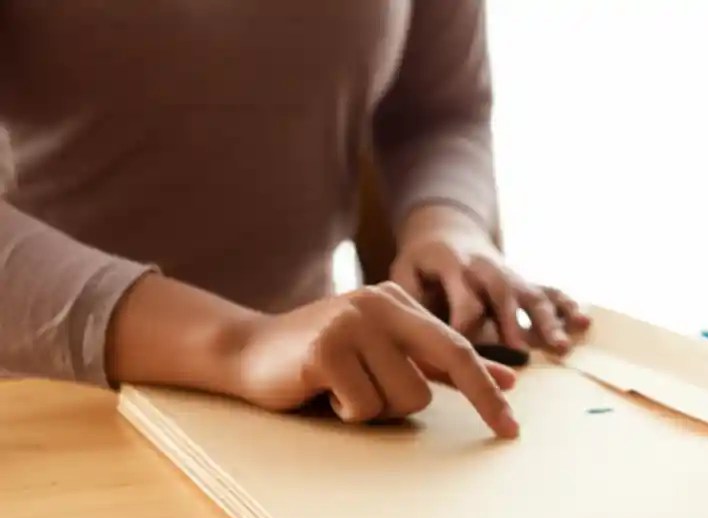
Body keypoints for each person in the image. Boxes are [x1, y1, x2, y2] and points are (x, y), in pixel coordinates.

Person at [0, 1, 588, 438]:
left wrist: (447, 223)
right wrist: (241, 344)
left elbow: (437, 113)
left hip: (310, 402)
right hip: (47, 408)